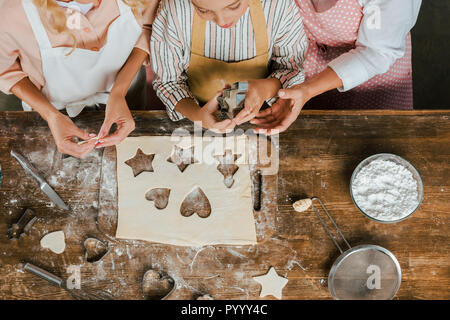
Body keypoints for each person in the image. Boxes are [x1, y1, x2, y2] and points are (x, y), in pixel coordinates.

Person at [0, 0, 159, 158]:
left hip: (128, 96)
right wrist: (51, 116)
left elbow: (147, 28)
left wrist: (119, 92)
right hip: (53, 110)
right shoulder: (11, 12)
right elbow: (6, 70)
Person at [251, 0, 422, 135]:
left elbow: (377, 52)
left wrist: (308, 89)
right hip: (305, 65)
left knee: (373, 141)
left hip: (372, 77)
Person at [151, 0, 308, 132]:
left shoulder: (277, 5)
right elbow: (169, 82)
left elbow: (291, 69)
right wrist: (198, 116)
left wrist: (262, 89)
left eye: (233, 6)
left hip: (263, 117)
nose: (222, 21)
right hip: (193, 119)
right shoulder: (174, 9)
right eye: (203, 10)